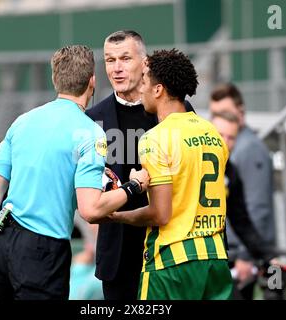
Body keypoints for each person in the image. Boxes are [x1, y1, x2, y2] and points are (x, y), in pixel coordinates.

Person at [0, 45, 149, 300]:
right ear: (92, 80)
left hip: (1, 243)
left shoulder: (22, 121)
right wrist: (133, 186)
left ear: (54, 79)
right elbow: (90, 210)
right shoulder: (90, 133)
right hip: (43, 249)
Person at [111, 49, 232, 300]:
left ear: (158, 89)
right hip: (215, 258)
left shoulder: (154, 138)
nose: (141, 89)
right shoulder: (212, 133)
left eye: (144, 81)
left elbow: (160, 213)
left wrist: (118, 215)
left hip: (172, 263)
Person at [86, 30, 194, 300]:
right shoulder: (92, 119)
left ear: (145, 63)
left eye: (125, 58)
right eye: (110, 60)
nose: (117, 68)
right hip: (118, 258)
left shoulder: (176, 112)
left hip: (169, 251)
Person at [209, 83, 276, 300]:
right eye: (220, 135)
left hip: (230, 258)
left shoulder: (237, 162)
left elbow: (248, 214)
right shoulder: (200, 161)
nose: (225, 143)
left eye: (231, 138)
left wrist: (263, 255)